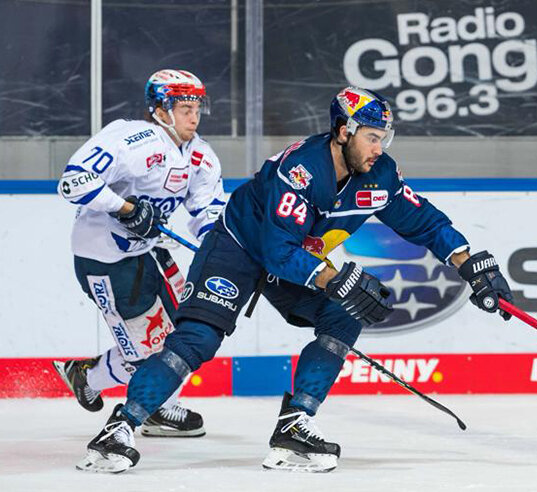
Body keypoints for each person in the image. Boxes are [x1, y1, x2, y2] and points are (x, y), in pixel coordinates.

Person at [76, 86, 514, 473]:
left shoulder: (378, 175)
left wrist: (468, 262)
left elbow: (423, 222)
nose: (379, 147)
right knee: (198, 339)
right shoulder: (301, 170)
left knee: (343, 317)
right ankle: (121, 428)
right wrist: (334, 277)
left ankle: (295, 425)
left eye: (384, 138)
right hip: (239, 248)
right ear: (343, 130)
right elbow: (276, 250)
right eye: (372, 136)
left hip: (295, 257)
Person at [56, 69, 225, 447]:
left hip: (150, 251)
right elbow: (73, 180)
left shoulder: (200, 155)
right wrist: (125, 208)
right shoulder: (130, 139)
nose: (193, 116)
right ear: (160, 110)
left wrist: (221, 249)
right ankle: (87, 376)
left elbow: (206, 210)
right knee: (148, 351)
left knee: (185, 331)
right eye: (184, 107)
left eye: (197, 107)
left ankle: (161, 404)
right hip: (105, 257)